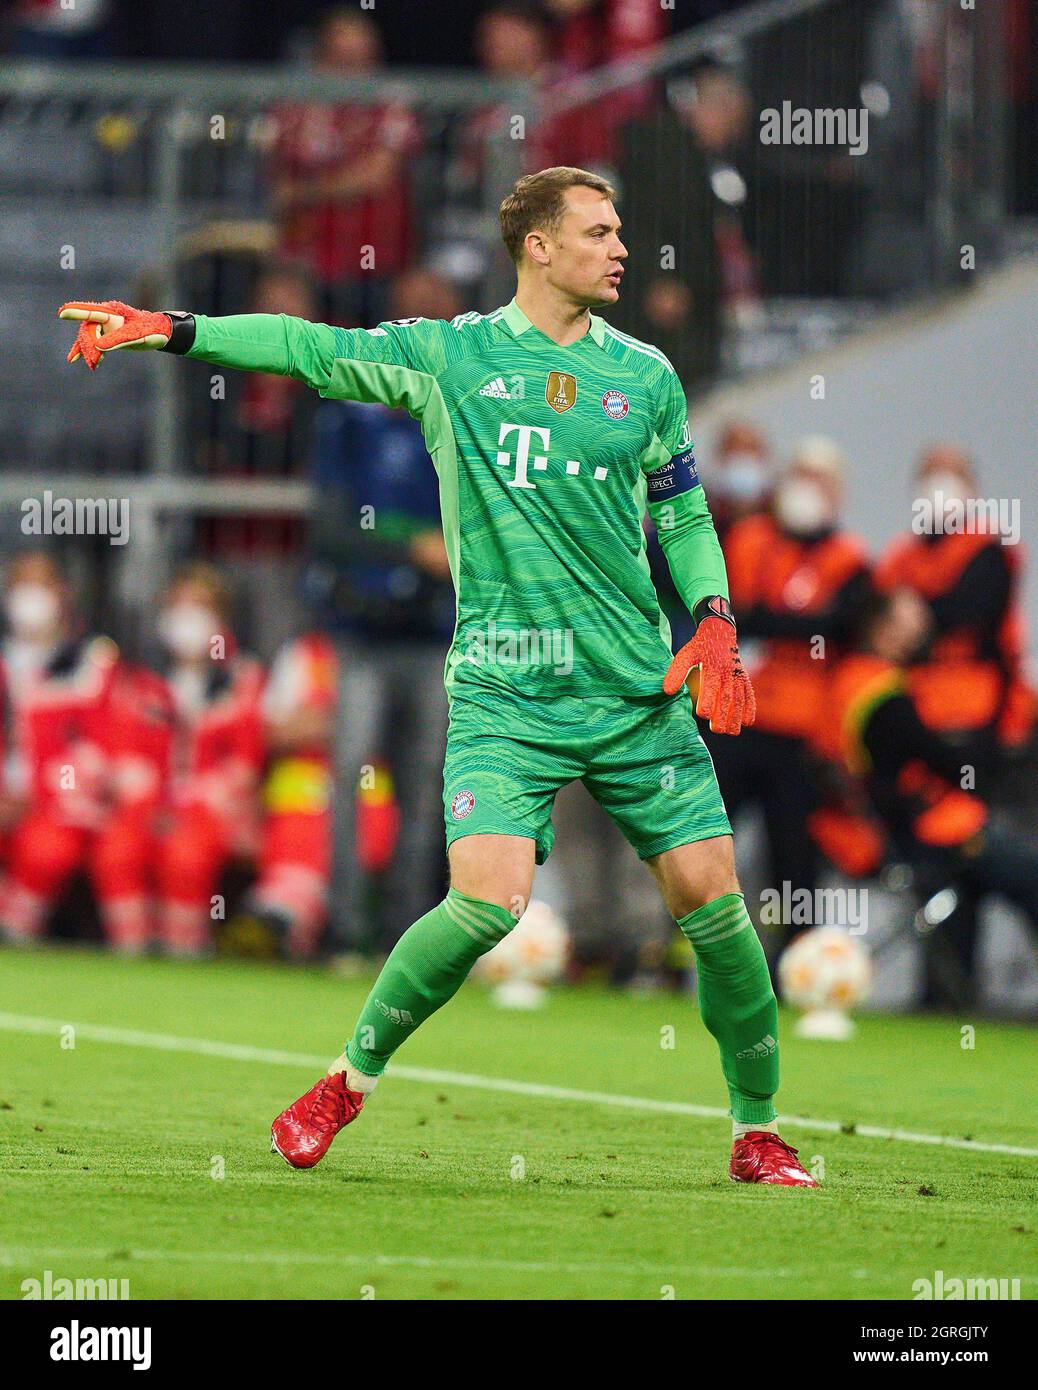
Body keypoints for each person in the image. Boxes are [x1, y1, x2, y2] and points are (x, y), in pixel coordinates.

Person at [60, 164, 817, 1188]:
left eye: (620, 229)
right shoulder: (450, 357)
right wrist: (178, 328)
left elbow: (681, 512)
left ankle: (756, 1129)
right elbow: (309, 345)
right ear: (538, 247)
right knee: (486, 903)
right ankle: (346, 1079)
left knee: (715, 904)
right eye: (599, 231)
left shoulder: (646, 375)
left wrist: (716, 612)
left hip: (637, 691)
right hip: (507, 692)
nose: (621, 248)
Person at [307, 268, 459, 951]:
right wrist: (412, 547)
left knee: (428, 783)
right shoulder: (347, 420)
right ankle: (344, 927)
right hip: (361, 628)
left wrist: (446, 549)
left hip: (436, 633)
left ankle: (404, 929)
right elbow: (331, 530)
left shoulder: (462, 423)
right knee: (349, 775)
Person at [814, 586, 1038, 1008]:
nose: (923, 631)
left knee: (964, 892)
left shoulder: (846, 680)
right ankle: (950, 997)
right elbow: (934, 759)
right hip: (918, 835)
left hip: (873, 832)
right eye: (910, 622)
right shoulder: (885, 696)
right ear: (883, 631)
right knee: (1025, 872)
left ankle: (948, 999)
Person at [712, 439, 872, 949]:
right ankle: (675, 959)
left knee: (793, 862)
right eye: (800, 473)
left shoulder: (849, 558)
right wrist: (802, 624)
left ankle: (797, 965)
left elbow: (846, 623)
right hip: (733, 718)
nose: (806, 487)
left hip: (801, 733)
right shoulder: (749, 536)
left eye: (820, 478)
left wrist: (776, 621)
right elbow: (733, 610)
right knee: (703, 841)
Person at [0, 554, 171, 950]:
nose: (30, 598)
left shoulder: (92, 662)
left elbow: (104, 744)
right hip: (14, 801)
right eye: (21, 586)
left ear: (62, 595)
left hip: (65, 805)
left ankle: (136, 952)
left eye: (41, 586)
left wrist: (57, 792)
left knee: (64, 848)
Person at [876, 445, 1034, 774]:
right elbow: (873, 618)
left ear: (971, 488)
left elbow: (972, 609)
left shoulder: (989, 547)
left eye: (951, 475)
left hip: (982, 701)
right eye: (930, 475)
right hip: (914, 700)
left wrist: (913, 612)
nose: (939, 485)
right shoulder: (901, 555)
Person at [269, 6, 421, 328]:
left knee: (423, 300)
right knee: (278, 308)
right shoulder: (297, 109)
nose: (355, 74)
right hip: (310, 264)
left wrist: (311, 189)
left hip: (385, 265)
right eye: (343, 61)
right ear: (322, 59)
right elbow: (281, 189)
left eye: (363, 62)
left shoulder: (393, 104)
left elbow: (377, 176)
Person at [152, 564, 266, 956]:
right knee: (122, 846)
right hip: (149, 805)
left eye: (200, 607)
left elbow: (245, 765)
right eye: (179, 606)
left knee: (185, 851)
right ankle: (127, 955)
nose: (188, 617)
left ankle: (184, 951)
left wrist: (194, 795)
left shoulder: (242, 677)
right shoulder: (145, 678)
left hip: (214, 809)